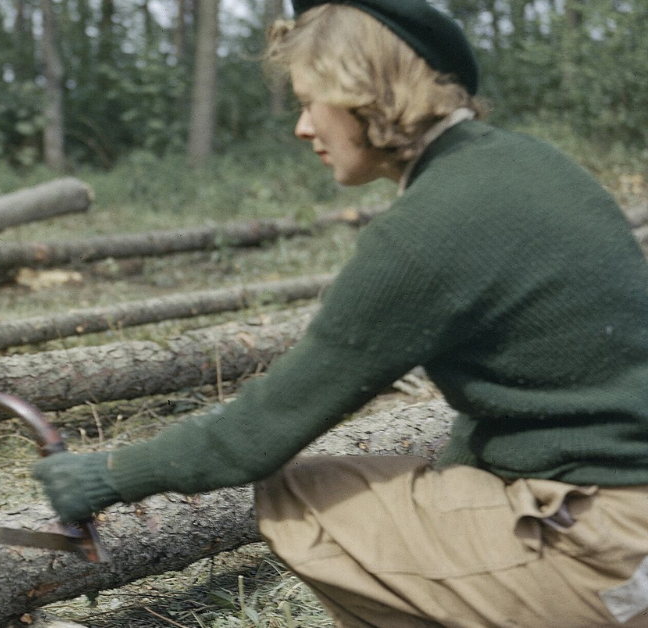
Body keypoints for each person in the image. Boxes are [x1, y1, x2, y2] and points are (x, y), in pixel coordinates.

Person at [33, 1, 648, 625]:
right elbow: (506, 397)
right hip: (625, 512)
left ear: (365, 92)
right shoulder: (528, 164)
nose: (303, 128)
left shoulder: (427, 231)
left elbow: (260, 433)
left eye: (310, 101)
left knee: (300, 495)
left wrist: (108, 476)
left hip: (611, 545)